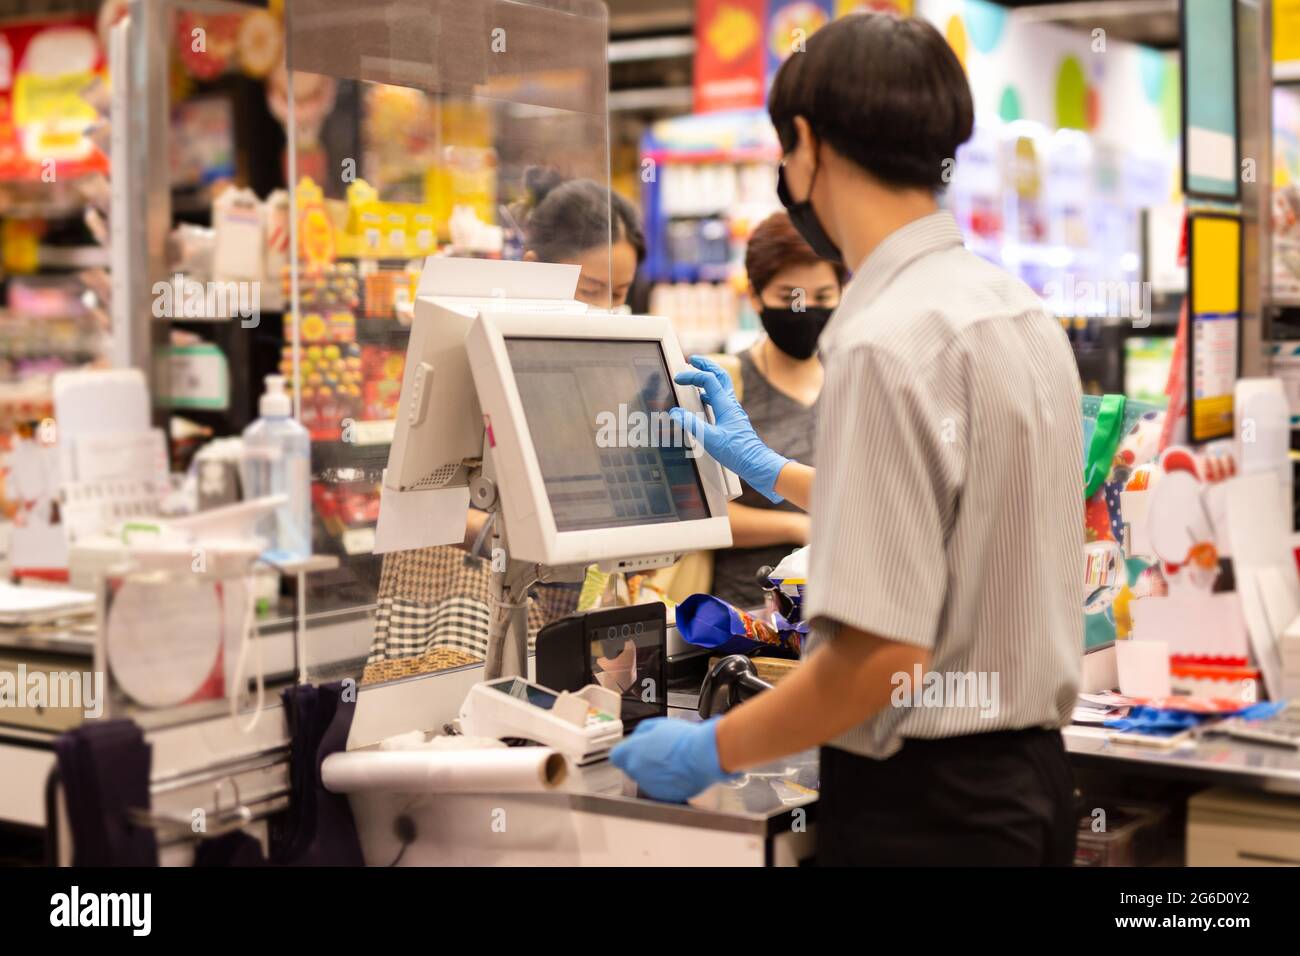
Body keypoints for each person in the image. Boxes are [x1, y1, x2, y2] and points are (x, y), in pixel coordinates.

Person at [610, 13, 1084, 866]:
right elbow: (944, 520)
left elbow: (878, 657)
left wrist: (710, 750)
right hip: (1033, 783)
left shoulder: (881, 337)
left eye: (782, 150)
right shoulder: (1014, 310)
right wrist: (769, 467)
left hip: (927, 807)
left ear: (804, 141)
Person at [364, 176, 645, 680]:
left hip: (569, 596)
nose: (604, 308)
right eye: (590, 290)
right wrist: (508, 534)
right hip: (462, 589)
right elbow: (416, 499)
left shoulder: (617, 368)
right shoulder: (471, 348)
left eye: (618, 293)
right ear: (534, 270)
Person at [710, 211, 844, 609]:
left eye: (823, 298)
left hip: (839, 611)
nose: (807, 310)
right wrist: (797, 525)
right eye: (789, 298)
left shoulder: (856, 380)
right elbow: (697, 510)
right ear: (754, 296)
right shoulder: (727, 386)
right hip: (742, 617)